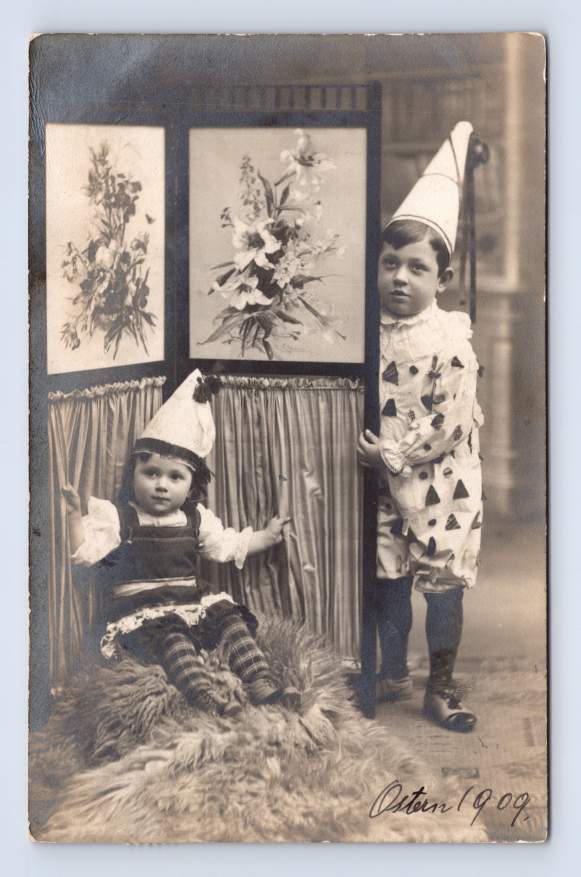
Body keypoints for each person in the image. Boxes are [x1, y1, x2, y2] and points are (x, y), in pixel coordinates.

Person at [62, 369, 299, 716]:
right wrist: (72, 516)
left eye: (175, 477)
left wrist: (266, 536)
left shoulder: (194, 518)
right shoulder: (119, 517)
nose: (161, 485)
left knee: (230, 619)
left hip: (189, 603)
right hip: (142, 616)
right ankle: (205, 697)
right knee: (173, 639)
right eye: (151, 473)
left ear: (191, 485)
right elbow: (84, 553)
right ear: (133, 475)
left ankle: (261, 683)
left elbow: (226, 544)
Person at [357, 122, 484, 732]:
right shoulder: (367, 331)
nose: (400, 278)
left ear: (442, 279)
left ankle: (441, 683)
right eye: (390, 264)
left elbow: (450, 419)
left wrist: (393, 454)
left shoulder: (449, 337)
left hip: (442, 482)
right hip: (383, 480)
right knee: (387, 578)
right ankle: (390, 672)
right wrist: (381, 460)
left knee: (441, 586)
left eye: (416, 267)